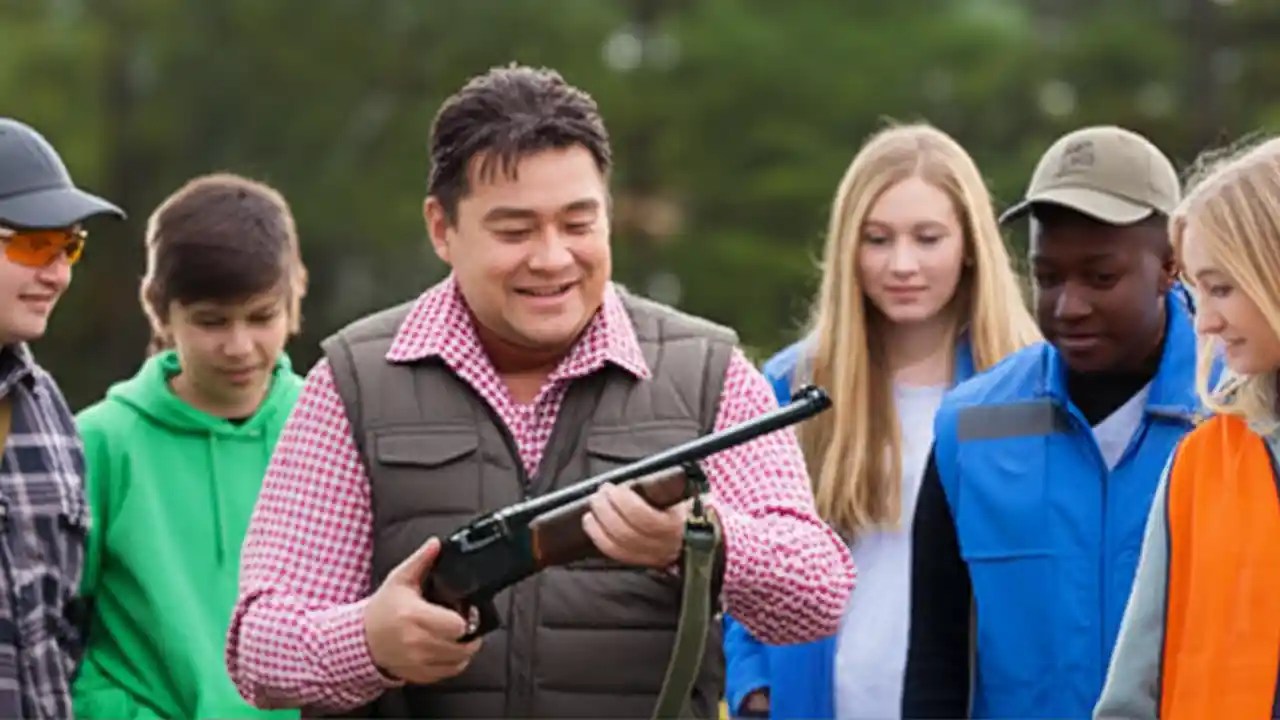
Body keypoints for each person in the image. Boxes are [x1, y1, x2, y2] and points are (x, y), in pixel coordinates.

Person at [224, 63, 855, 719]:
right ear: (442, 228)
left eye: (578, 224)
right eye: (515, 231)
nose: (553, 258)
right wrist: (370, 642)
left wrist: (701, 540)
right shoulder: (352, 382)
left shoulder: (710, 372)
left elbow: (818, 594)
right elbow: (259, 648)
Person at [720, 123, 1039, 720]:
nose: (902, 265)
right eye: (878, 239)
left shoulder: (1030, 386)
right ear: (848, 247)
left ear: (969, 243)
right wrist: (753, 682)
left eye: (927, 238)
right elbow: (745, 556)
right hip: (822, 698)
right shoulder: (792, 389)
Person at [901, 125, 1212, 719]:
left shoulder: (1240, 415)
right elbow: (935, 668)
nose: (1068, 306)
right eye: (1048, 278)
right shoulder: (968, 428)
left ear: (1172, 265)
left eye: (1101, 278)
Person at [70, 173, 308, 719]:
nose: (239, 345)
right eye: (210, 322)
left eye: (261, 317)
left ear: (293, 302)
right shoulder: (102, 442)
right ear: (161, 311)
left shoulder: (328, 425)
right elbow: (49, 624)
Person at [1093, 137, 1280, 720]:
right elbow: (1131, 697)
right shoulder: (1203, 461)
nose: (1207, 321)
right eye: (1197, 292)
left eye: (1222, 287)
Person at [0, 117, 124, 719]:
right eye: (30, 245)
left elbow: (61, 635)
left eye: (69, 245)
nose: (58, 273)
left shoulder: (49, 411)